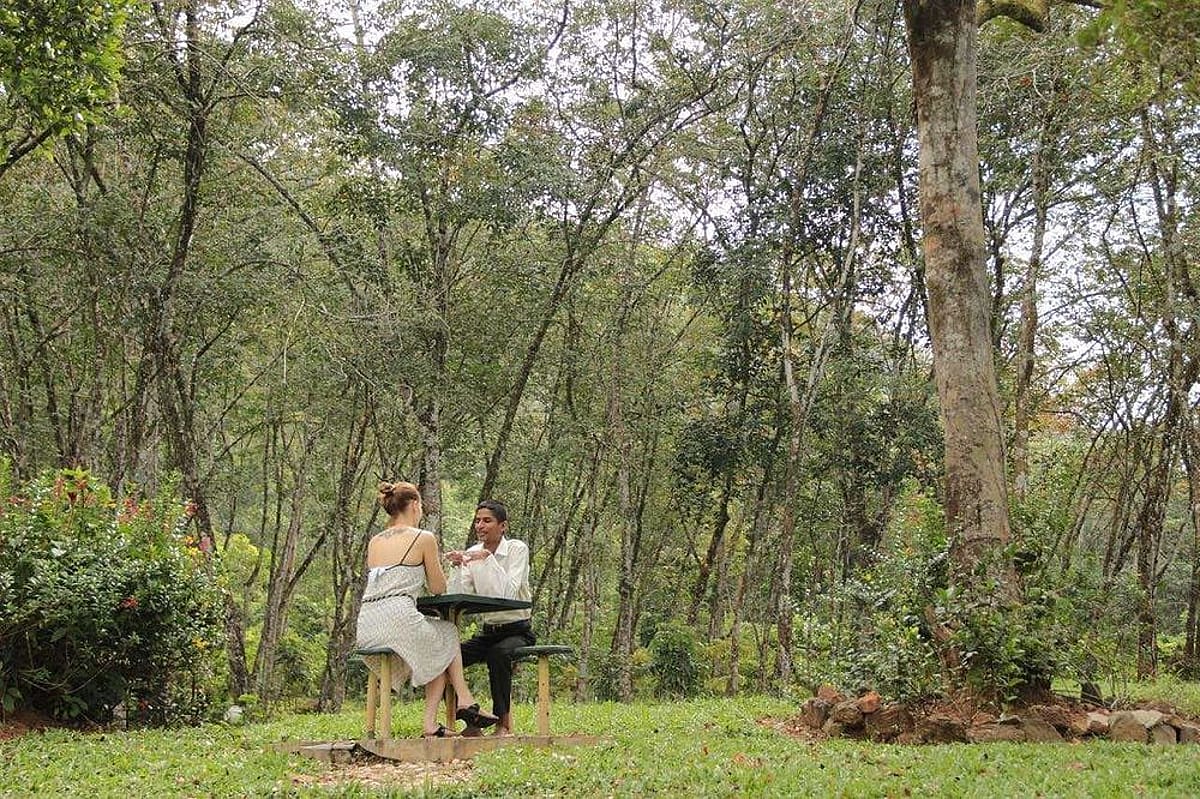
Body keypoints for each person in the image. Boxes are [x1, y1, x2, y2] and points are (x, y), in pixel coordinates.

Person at [355, 481, 498, 737]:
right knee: (449, 634)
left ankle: (440, 721)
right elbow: (438, 588)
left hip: (367, 623)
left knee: (440, 648)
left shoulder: (374, 541)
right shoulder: (423, 538)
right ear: (414, 505)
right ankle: (462, 702)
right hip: (397, 618)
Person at [447, 499, 534, 736]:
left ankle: (503, 724)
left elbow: (509, 591)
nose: (480, 526)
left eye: (487, 520)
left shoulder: (517, 549)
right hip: (488, 632)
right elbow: (460, 594)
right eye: (477, 521)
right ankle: (471, 720)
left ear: (502, 526)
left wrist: (488, 560)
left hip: (517, 630)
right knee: (449, 657)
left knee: (499, 655)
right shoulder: (473, 553)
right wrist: (457, 567)